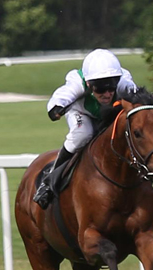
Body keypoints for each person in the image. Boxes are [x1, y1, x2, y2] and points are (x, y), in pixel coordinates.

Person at [32, 49, 137, 208]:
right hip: (82, 113)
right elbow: (63, 95)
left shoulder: (123, 82)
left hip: (109, 114)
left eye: (111, 87)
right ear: (88, 84)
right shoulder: (78, 82)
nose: (107, 94)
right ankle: (49, 180)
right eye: (100, 88)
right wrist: (56, 108)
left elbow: (138, 98)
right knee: (83, 134)